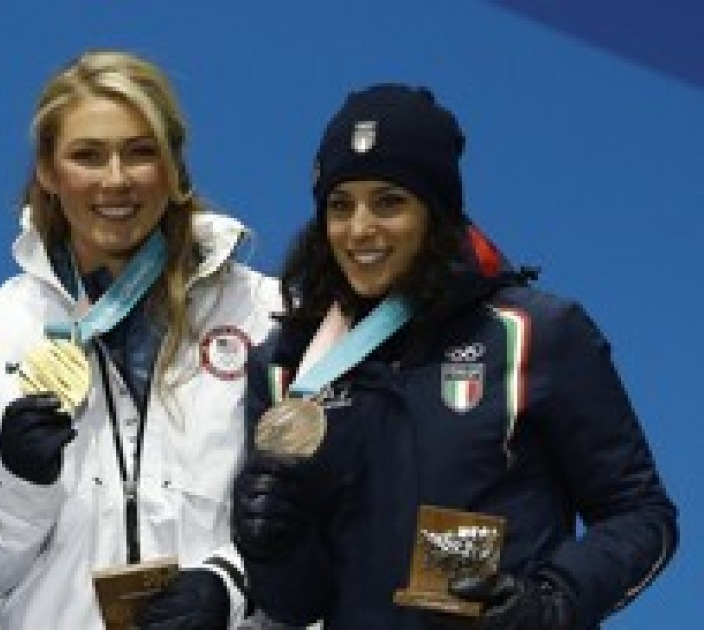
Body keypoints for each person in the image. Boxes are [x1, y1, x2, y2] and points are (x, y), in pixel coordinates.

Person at [231, 83, 678, 630]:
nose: (360, 229)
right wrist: (272, 544)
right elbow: (296, 605)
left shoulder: (536, 334)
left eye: (389, 202)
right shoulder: (287, 370)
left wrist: (554, 599)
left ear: (436, 212)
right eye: (340, 206)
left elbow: (641, 516)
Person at [0, 50, 281, 630]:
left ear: (174, 167)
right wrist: (22, 487)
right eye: (87, 156)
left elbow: (316, 517)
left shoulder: (264, 315)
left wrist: (231, 588)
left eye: (140, 152)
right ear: (48, 174)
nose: (115, 180)